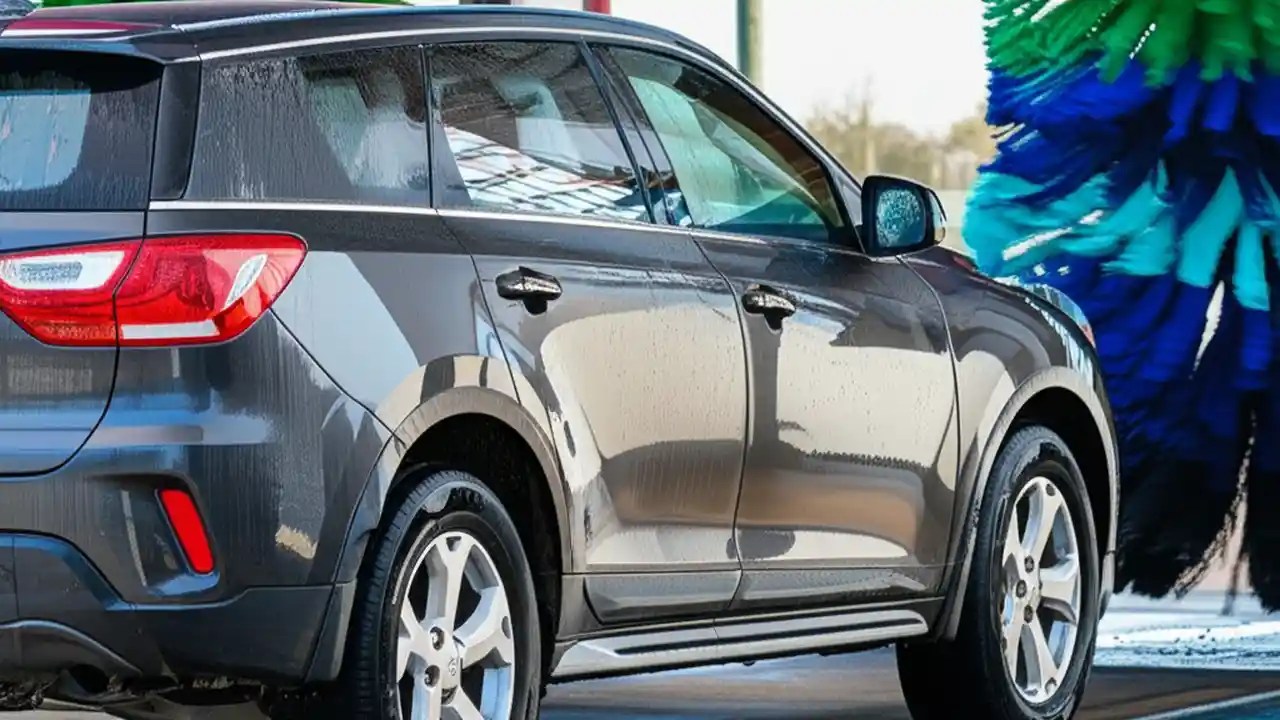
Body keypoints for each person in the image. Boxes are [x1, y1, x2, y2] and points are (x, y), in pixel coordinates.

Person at [964, 0, 1280, 609]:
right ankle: (1140, 509)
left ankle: (1145, 510)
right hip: (1192, 109)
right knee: (1175, 295)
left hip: (1201, 111)